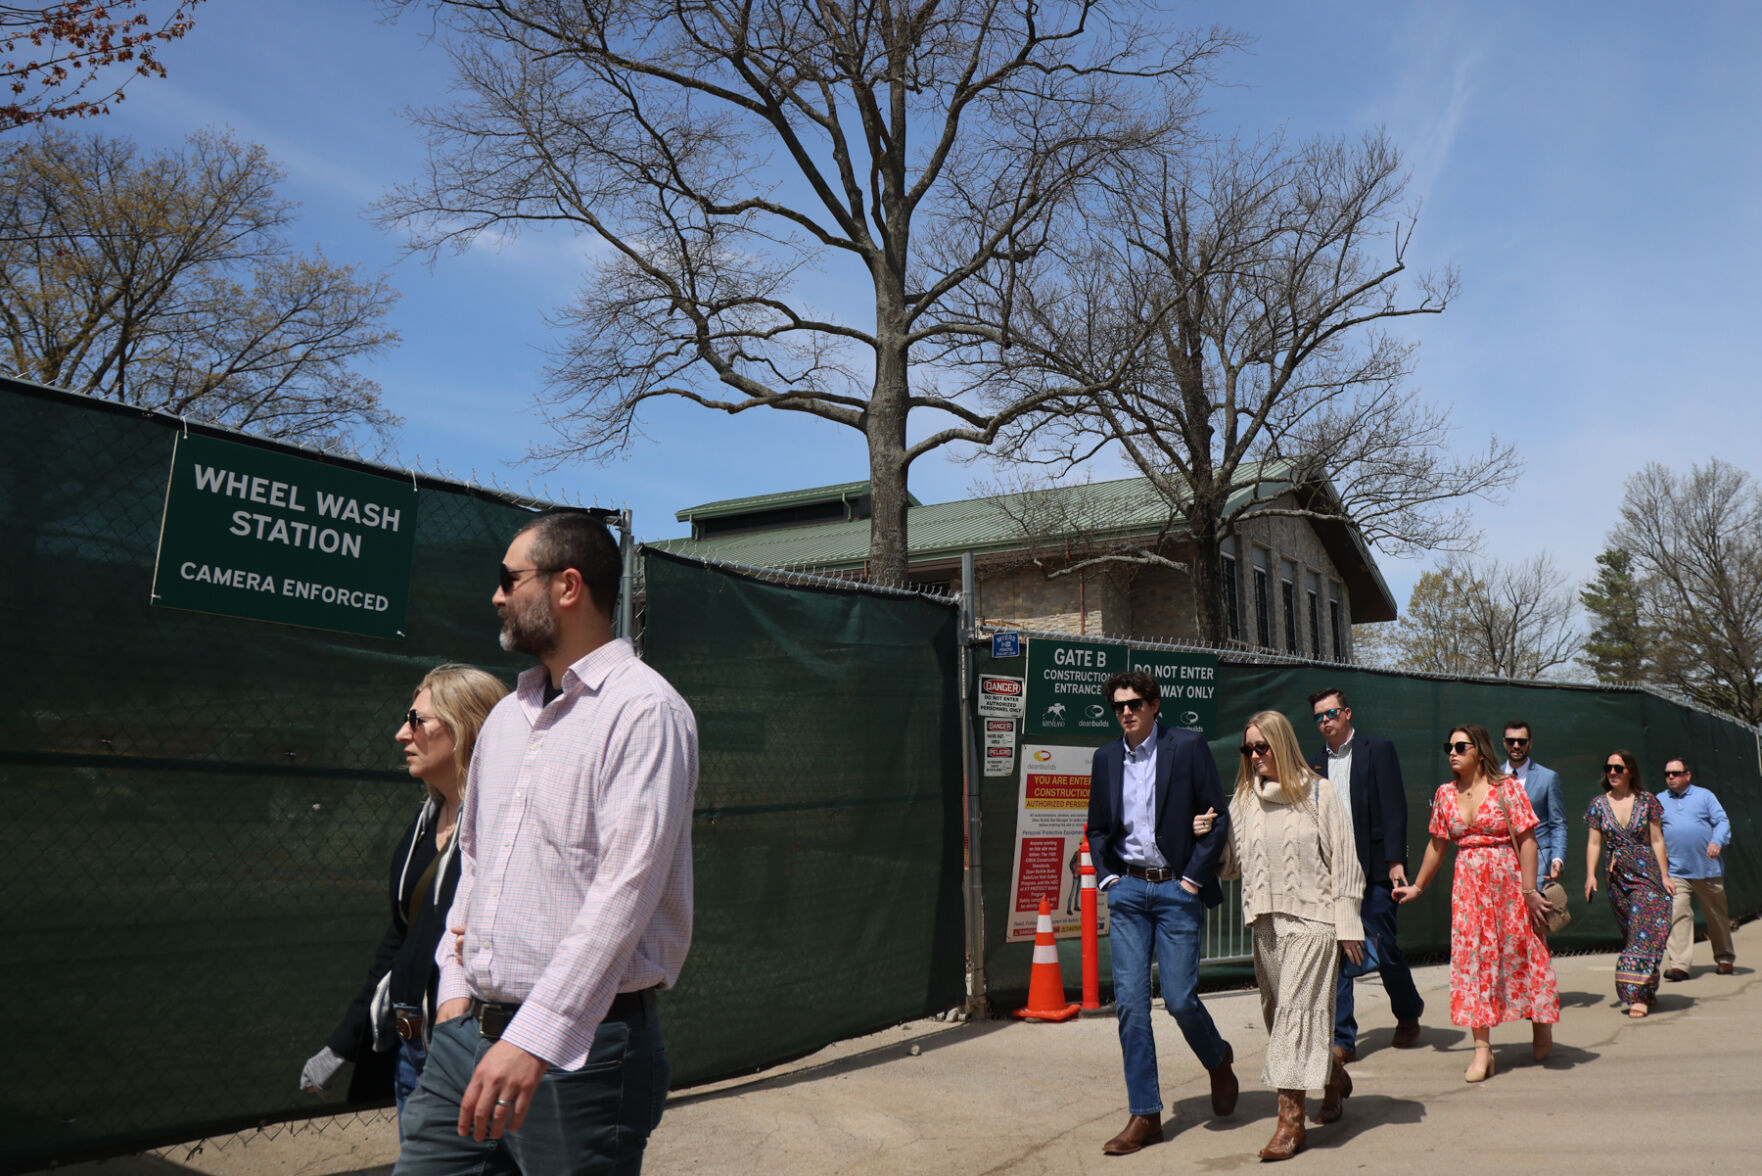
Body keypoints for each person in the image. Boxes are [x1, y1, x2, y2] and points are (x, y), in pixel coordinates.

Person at [395, 512, 699, 1176]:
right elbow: (475, 861)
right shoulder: (508, 717)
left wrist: (533, 1038)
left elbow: (625, 893)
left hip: (581, 1053)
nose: (497, 596)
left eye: (510, 579)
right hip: (464, 1038)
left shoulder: (645, 711)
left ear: (568, 586)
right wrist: (454, 994)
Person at [300, 665, 509, 1127]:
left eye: (418, 720)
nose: (402, 734)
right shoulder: (425, 822)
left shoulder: (503, 828)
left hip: (470, 1045)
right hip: (410, 1045)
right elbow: (401, 940)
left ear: (466, 727)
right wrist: (345, 1041)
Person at [1085, 669, 1236, 1157]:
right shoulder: (1106, 758)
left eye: (1135, 703)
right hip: (1128, 891)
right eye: (1119, 706)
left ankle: (1218, 1060)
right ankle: (1146, 1115)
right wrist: (1109, 879)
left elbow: (1216, 818)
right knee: (1131, 1004)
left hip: (1176, 890)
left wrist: (1191, 879)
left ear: (1154, 705)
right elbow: (1098, 827)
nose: (1126, 712)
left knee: (1179, 999)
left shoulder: (1186, 746)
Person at [1204, 711, 1364, 1161]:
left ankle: (1291, 1124)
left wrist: (1348, 923)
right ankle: (1333, 1076)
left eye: (1262, 747)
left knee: (1294, 1016)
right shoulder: (1244, 799)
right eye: (1248, 748)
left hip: (1315, 923)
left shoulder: (1320, 793)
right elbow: (1232, 867)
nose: (1254, 756)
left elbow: (1345, 860)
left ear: (1283, 744)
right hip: (1266, 925)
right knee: (1282, 1017)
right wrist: (1210, 837)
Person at [1393, 724, 1559, 1081]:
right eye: (1449, 747)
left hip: (1509, 886)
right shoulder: (1444, 794)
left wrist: (1530, 892)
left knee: (1521, 952)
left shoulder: (1507, 789)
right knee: (1473, 963)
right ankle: (1482, 1050)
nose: (1452, 753)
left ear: (1480, 752)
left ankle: (1540, 1021)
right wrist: (1418, 886)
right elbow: (1437, 845)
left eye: (1460, 747)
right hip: (1468, 890)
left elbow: (1528, 841)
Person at [1307, 688, 1424, 1062]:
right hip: (1333, 875)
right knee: (1339, 949)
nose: (1325, 721)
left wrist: (1395, 862)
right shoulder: (1313, 764)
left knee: (1382, 945)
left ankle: (1408, 1011)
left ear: (1347, 713)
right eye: (1319, 716)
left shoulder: (1378, 750)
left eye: (1331, 713)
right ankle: (1343, 1038)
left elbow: (1394, 808)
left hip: (1376, 869)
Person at [1583, 749, 1675, 1016]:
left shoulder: (1647, 801)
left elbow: (1657, 839)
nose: (1612, 772)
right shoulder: (1598, 805)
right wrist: (1590, 875)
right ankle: (1647, 989)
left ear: (1630, 772)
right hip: (1616, 876)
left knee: (1642, 930)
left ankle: (1635, 995)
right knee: (1631, 932)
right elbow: (1594, 843)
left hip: (1646, 873)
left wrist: (1665, 875)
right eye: (1608, 768)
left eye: (1618, 768)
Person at [1657, 757, 1735, 979]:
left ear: (1687, 775)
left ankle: (1724, 958)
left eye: (1675, 773)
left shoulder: (1704, 796)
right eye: (1667, 774)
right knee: (1677, 914)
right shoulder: (1659, 800)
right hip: (1675, 871)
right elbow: (1654, 832)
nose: (1671, 777)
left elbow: (1722, 821)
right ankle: (1680, 965)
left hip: (1707, 870)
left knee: (1716, 915)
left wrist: (1717, 841)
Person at [1501, 720, 1567, 883]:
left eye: (1522, 741)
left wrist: (1557, 858)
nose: (1516, 746)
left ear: (1530, 743)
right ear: (1504, 743)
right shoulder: (1491, 777)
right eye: (1511, 741)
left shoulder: (1548, 778)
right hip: (1502, 861)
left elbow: (1557, 823)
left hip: (1538, 861)